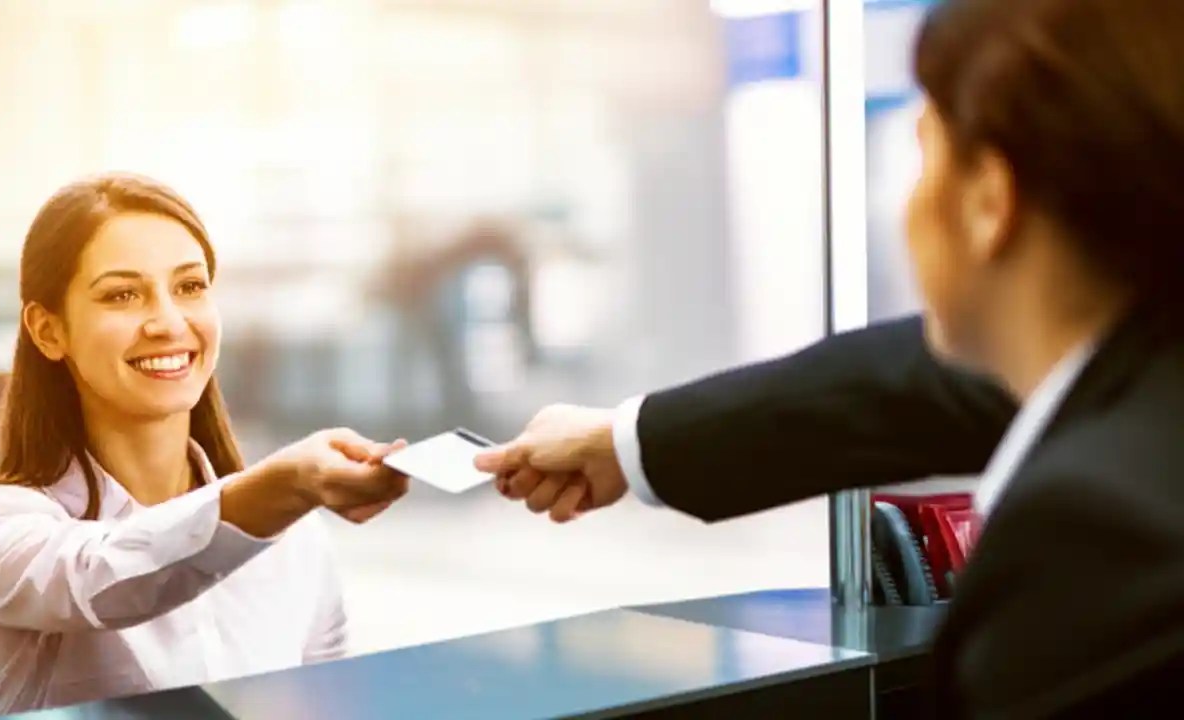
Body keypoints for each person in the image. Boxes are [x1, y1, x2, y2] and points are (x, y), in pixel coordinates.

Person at [477, 0, 1184, 716]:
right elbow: (920, 391)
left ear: (988, 203)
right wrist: (626, 442)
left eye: (924, 152)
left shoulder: (1098, 543)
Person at [0, 173, 410, 717]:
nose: (168, 323)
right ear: (49, 331)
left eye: (190, 287)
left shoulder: (296, 540)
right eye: (122, 295)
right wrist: (283, 486)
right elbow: (106, 580)